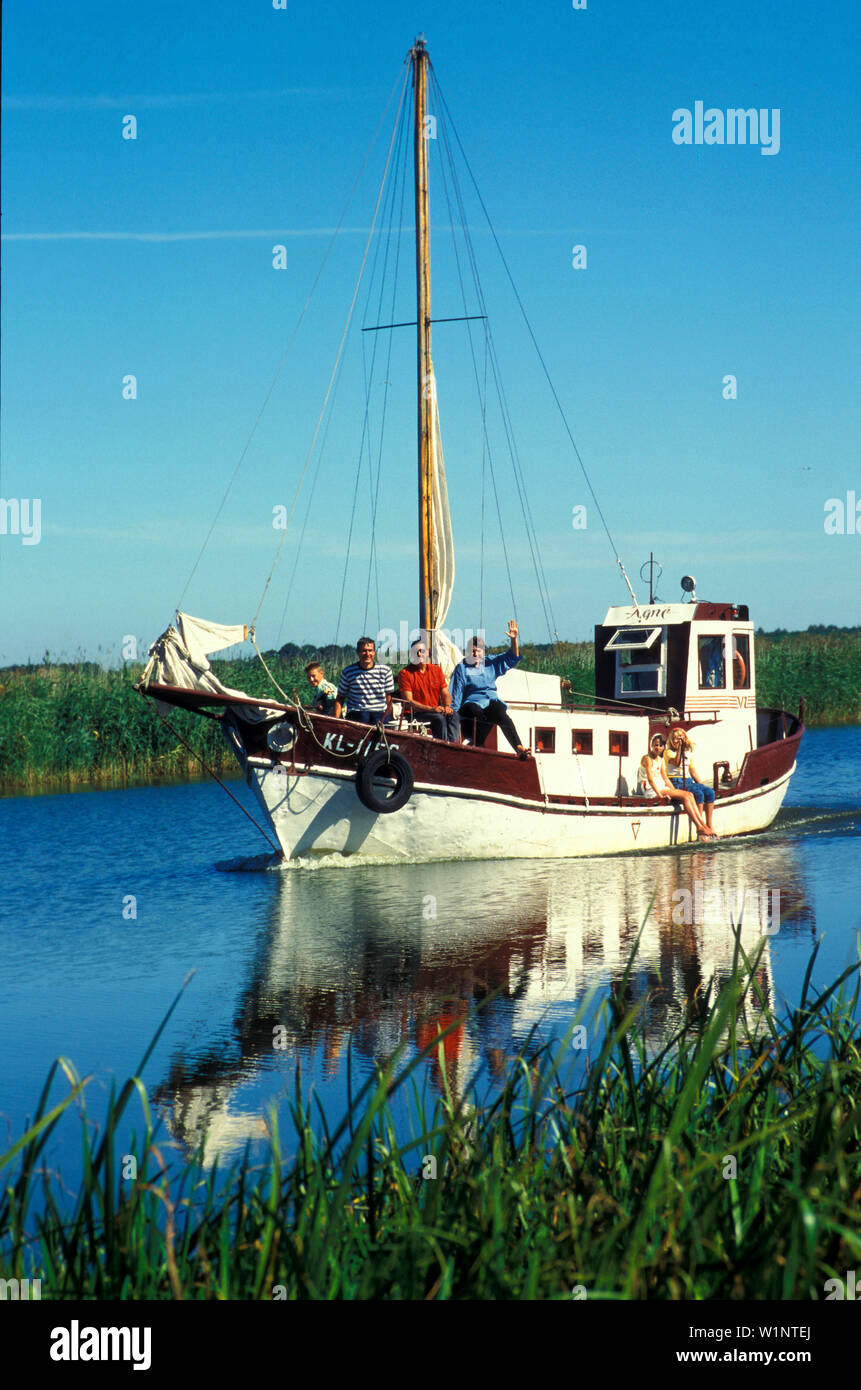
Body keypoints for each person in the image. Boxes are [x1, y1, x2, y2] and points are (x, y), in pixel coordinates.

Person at [449, 620, 529, 758]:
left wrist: (514, 640)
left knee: (500, 712)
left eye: (478, 651)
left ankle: (518, 747)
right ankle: (477, 744)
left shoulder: (490, 662)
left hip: (491, 701)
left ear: (483, 652)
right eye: (472, 651)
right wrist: (453, 713)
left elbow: (512, 658)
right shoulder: (462, 668)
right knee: (475, 711)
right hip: (471, 703)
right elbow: (456, 693)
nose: (475, 654)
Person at [638, 732, 715, 838]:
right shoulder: (647, 759)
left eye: (661, 745)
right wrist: (659, 795)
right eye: (656, 745)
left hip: (661, 786)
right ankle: (699, 827)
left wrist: (675, 791)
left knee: (689, 795)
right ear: (651, 745)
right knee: (685, 796)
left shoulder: (660, 760)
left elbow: (665, 778)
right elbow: (651, 780)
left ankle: (703, 824)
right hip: (651, 789)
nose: (658, 748)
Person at [397, 640, 460, 741]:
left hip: (434, 711)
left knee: (453, 715)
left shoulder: (436, 670)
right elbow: (409, 702)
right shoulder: (405, 673)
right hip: (415, 713)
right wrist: (431, 709)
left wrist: (447, 706)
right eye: (415, 651)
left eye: (422, 651)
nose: (419, 654)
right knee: (438, 718)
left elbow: (445, 693)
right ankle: (442, 748)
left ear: (428, 653)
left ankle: (454, 747)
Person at [664, 726, 719, 836]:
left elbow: (692, 771)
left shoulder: (688, 754)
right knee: (698, 794)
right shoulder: (668, 752)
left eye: (680, 738)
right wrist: (680, 748)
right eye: (675, 739)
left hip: (688, 781)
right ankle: (700, 827)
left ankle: (709, 824)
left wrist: (702, 785)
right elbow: (676, 762)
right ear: (671, 741)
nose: (678, 741)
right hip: (676, 781)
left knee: (709, 792)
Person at [335, 637, 395, 724]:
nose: (367, 654)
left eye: (370, 650)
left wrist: (392, 720)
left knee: (379, 719)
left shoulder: (385, 671)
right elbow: (340, 698)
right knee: (364, 715)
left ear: (374, 652)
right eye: (364, 651)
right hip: (357, 712)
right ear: (358, 652)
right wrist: (336, 721)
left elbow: (388, 698)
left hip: (379, 712)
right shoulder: (348, 672)